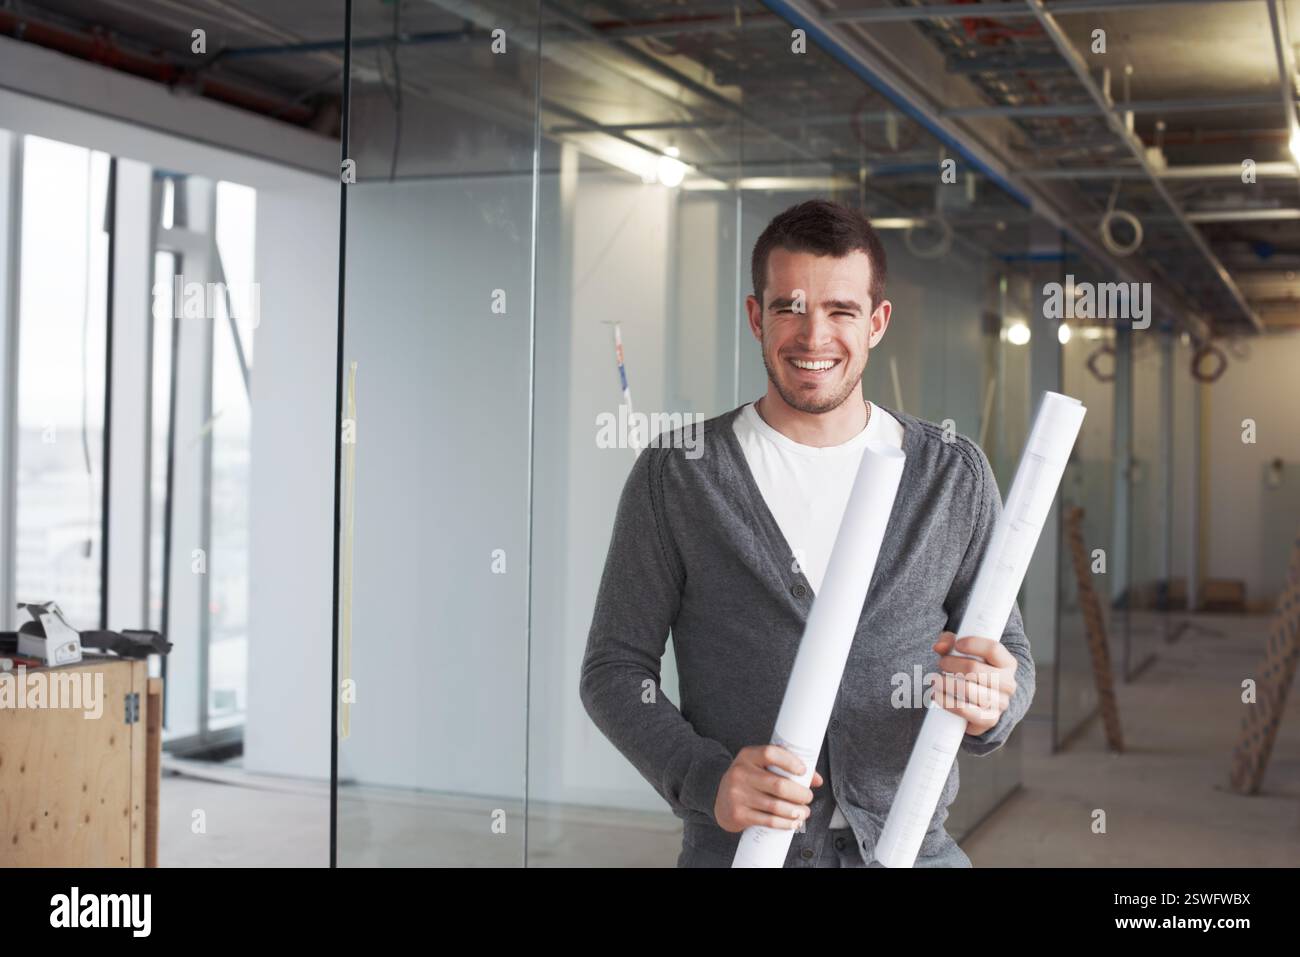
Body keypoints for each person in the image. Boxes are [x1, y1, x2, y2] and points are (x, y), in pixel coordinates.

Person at [579, 198, 1034, 868]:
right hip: (743, 852)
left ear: (877, 322)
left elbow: (1010, 656)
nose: (813, 334)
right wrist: (705, 778)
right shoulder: (680, 475)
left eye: (841, 310)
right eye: (790, 306)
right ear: (756, 317)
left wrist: (996, 699)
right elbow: (614, 671)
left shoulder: (950, 474)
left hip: (913, 848)